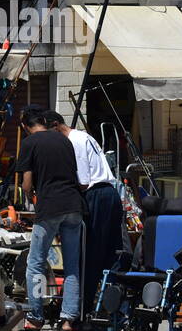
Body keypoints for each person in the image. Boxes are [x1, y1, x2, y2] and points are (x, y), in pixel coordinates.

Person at [43, 110, 128, 317]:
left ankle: (84, 309)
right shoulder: (84, 136)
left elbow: (82, 181)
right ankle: (116, 307)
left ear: (55, 125)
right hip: (110, 193)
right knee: (110, 252)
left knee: (89, 253)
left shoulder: (73, 142)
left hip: (96, 195)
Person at [16, 106, 85, 331]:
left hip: (49, 208)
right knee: (72, 265)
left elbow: (26, 183)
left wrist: (30, 194)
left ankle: (36, 317)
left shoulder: (29, 143)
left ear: (26, 126)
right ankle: (67, 319)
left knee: (35, 263)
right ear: (45, 121)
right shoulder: (63, 140)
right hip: (74, 205)